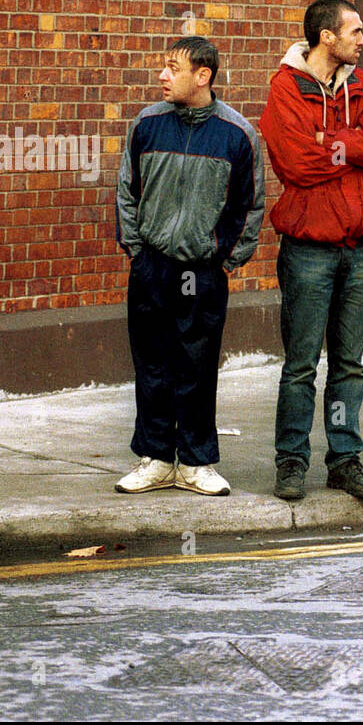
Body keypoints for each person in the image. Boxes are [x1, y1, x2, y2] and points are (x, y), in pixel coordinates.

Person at [114, 36, 265, 496]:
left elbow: (250, 205)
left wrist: (223, 258)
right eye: (163, 66)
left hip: (200, 272)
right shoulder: (146, 125)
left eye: (172, 68)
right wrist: (138, 251)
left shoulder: (237, 134)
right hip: (152, 267)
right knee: (153, 365)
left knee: (197, 366)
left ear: (203, 76)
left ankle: (197, 463)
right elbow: (126, 192)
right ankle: (157, 458)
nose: (162, 75)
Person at [259, 0, 363, 501]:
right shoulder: (284, 88)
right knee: (300, 364)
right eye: (355, 31)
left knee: (349, 365)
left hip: (359, 247)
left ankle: (344, 459)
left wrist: (329, 141)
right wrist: (349, 145)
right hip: (309, 249)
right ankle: (291, 461)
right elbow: (295, 163)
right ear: (326, 37)